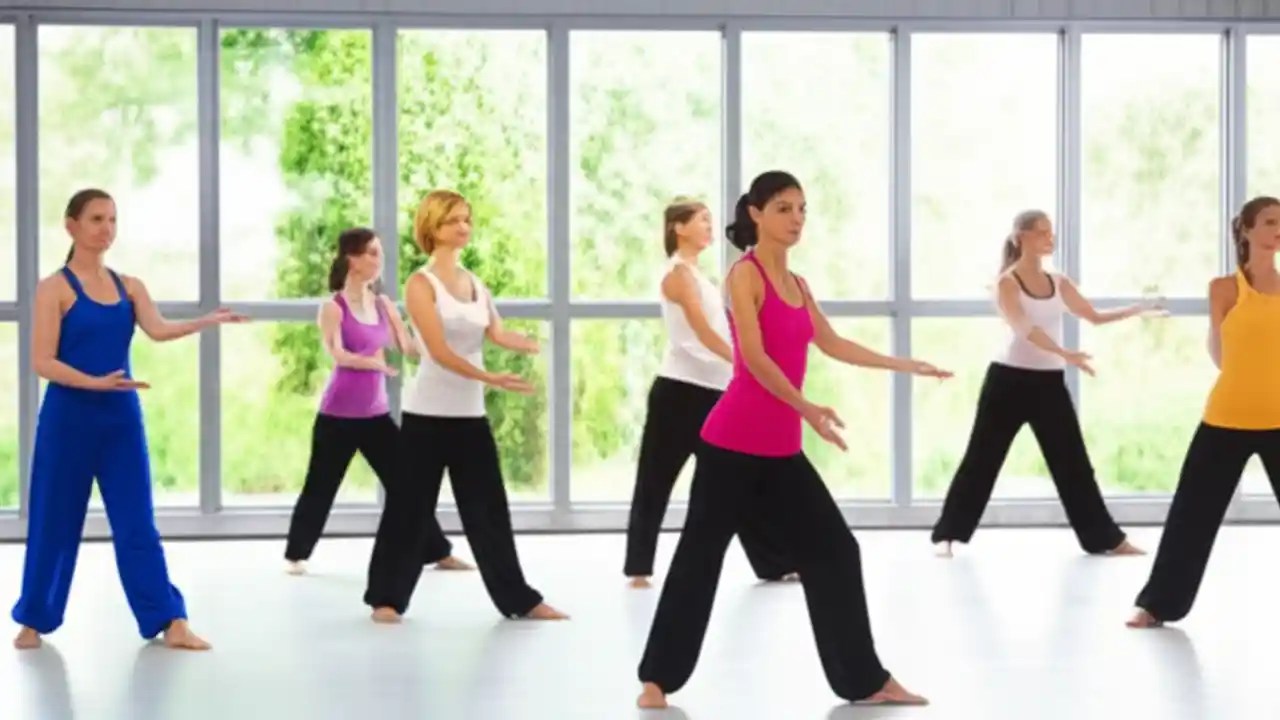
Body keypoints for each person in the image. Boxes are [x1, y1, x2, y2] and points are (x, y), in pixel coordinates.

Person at [635, 171, 948, 709]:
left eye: (802, 209)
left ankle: (864, 680)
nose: (797, 219)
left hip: (779, 450)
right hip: (731, 443)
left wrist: (904, 363)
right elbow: (754, 359)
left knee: (835, 552)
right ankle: (656, 680)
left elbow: (831, 342)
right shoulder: (744, 274)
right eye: (784, 208)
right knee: (699, 558)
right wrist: (806, 408)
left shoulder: (798, 285)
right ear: (756, 214)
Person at [12, 188, 245, 651]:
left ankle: (169, 620)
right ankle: (34, 619)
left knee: (137, 523)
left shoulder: (129, 286)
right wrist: (92, 382)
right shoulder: (54, 288)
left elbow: (158, 329)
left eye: (113, 220)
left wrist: (205, 321)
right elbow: (43, 361)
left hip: (120, 421)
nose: (106, 229)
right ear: (72, 225)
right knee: (55, 521)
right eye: (97, 219)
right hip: (67, 420)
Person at [363, 189, 566, 623]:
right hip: (428, 416)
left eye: (467, 220)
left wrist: (538, 344)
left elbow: (496, 333)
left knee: (489, 509)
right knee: (409, 510)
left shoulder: (476, 283)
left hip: (469, 416)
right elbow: (436, 350)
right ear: (432, 227)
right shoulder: (421, 284)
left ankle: (519, 599)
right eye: (454, 220)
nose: (463, 227)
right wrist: (490, 377)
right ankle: (386, 597)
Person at [930, 209, 1159, 558]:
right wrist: (1065, 352)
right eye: (1042, 233)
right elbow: (1025, 329)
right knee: (982, 459)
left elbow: (1093, 316)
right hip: (1007, 382)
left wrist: (1135, 310)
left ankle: (1108, 539)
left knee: (1073, 463)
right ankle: (948, 535)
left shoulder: (1060, 282)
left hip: (1048, 385)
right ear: (1020, 237)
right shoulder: (1007, 283)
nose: (1049, 239)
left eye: (1051, 233)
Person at [623, 197, 795, 589]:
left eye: (709, 220)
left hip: (714, 391)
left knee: (735, 477)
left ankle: (772, 562)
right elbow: (700, 333)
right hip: (680, 393)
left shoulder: (701, 278)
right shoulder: (678, 275)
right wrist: (745, 362)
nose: (709, 227)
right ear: (678, 228)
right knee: (656, 477)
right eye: (701, 220)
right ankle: (638, 566)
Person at [282, 227, 472, 576]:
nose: (378, 259)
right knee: (321, 486)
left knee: (409, 483)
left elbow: (409, 347)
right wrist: (370, 362)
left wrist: (442, 345)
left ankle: (438, 552)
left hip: (376, 417)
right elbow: (337, 353)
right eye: (370, 252)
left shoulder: (385, 305)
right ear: (351, 260)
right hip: (337, 415)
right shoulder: (333, 307)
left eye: (379, 252)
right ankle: (296, 554)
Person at [1128, 195, 1280, 629]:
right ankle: (1157, 604)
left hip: (1279, 417)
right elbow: (1219, 352)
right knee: (1192, 514)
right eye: (1269, 221)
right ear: (1247, 230)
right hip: (1226, 416)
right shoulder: (1224, 288)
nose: (1277, 229)